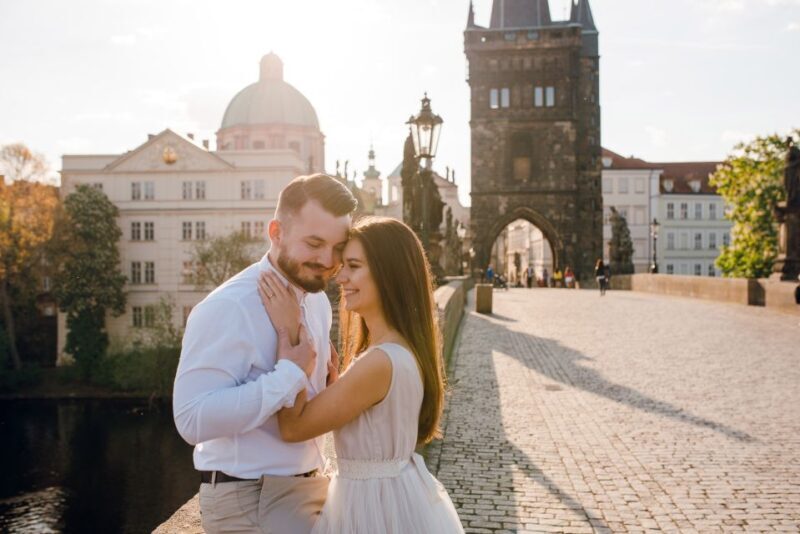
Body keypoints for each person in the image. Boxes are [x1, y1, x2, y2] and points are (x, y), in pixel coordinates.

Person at [173, 174, 357, 533]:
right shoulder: (230, 306)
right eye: (314, 243)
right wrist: (289, 374)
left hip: (306, 488)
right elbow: (191, 419)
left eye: (338, 248)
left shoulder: (317, 301)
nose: (328, 260)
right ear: (276, 232)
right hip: (249, 498)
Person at [258, 216, 464, 533]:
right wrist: (337, 387)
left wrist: (291, 334)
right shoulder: (401, 349)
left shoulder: (378, 362)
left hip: (371, 508)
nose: (340, 277)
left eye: (353, 266)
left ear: (388, 274)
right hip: (395, 498)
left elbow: (293, 427)